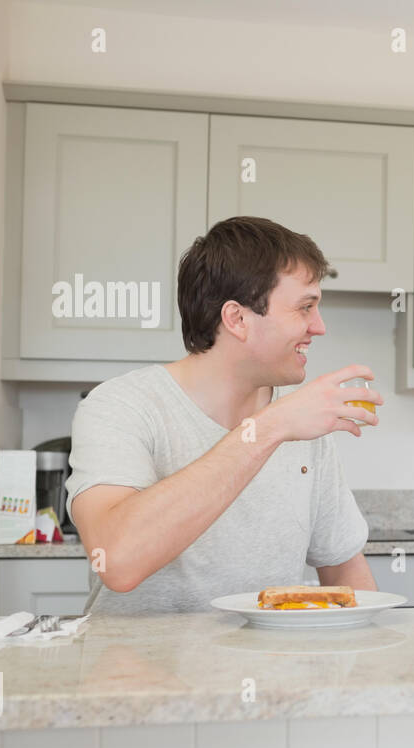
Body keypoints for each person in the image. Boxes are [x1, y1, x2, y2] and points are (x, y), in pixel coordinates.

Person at [67, 216, 382, 613]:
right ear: (236, 319)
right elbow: (117, 561)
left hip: (264, 671)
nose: (318, 327)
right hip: (134, 672)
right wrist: (273, 427)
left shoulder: (300, 425)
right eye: (305, 308)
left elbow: (343, 571)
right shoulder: (121, 406)